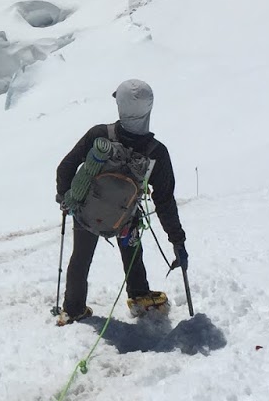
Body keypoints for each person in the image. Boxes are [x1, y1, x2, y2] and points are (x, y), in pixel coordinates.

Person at [53, 78, 187, 322]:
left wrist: (65, 197)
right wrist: (177, 240)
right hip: (126, 218)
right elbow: (165, 201)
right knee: (132, 248)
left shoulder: (100, 135)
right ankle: (138, 296)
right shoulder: (157, 152)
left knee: (80, 257)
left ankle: (73, 308)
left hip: (86, 211)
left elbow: (66, 167)